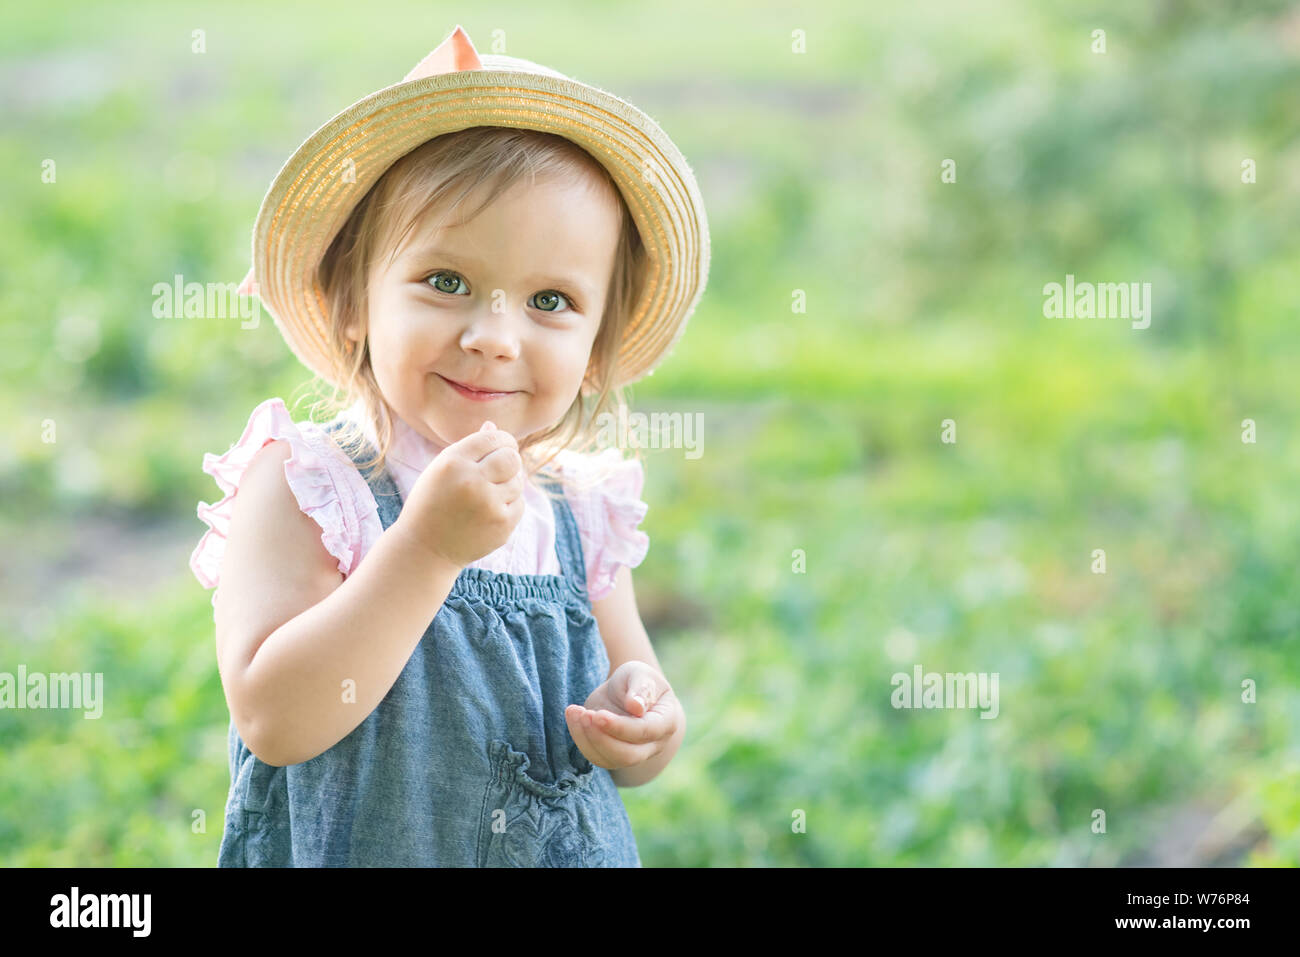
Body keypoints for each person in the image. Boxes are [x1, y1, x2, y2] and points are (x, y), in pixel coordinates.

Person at [187, 25, 710, 866]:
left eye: (550, 299)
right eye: (446, 282)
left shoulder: (578, 511)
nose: (494, 336)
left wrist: (643, 716)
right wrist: (426, 549)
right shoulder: (312, 486)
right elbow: (275, 718)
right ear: (350, 300)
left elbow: (639, 695)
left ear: (595, 355)